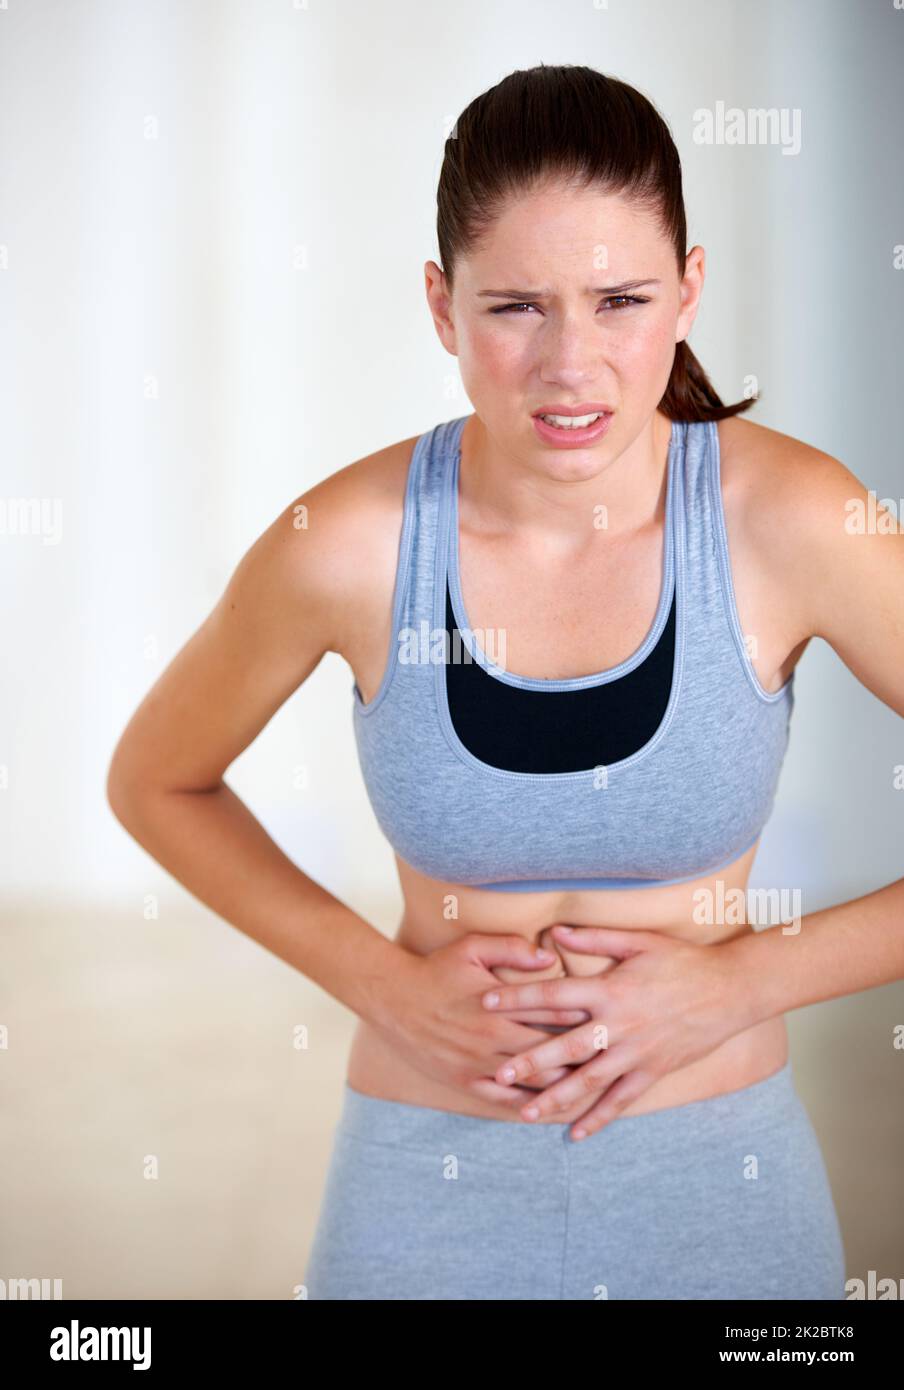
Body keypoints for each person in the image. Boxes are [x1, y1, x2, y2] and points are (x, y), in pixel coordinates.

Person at [106, 64, 904, 1301]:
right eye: (517, 307)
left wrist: (740, 981)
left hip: (718, 1196)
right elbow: (156, 779)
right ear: (440, 304)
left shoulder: (791, 520)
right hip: (420, 1195)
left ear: (689, 289)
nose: (570, 365)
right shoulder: (349, 539)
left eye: (622, 299)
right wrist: (379, 980)